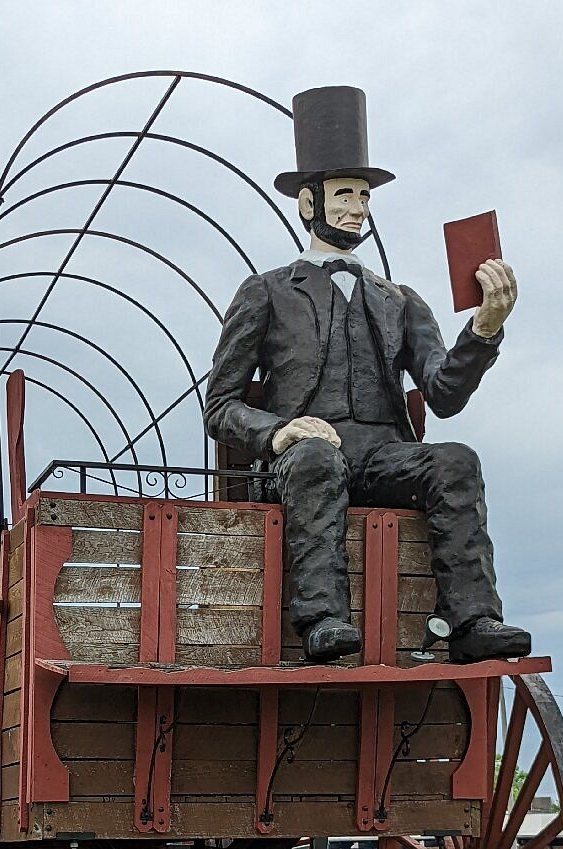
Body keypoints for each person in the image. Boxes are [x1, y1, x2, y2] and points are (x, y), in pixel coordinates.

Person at [204, 85, 531, 664]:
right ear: (308, 204)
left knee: (456, 459)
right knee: (314, 458)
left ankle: (473, 618)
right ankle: (323, 618)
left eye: (362, 195)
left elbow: (444, 393)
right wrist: (281, 432)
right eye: (343, 194)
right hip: (304, 458)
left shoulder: (398, 300)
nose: (356, 207)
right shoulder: (266, 292)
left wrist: (483, 329)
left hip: (384, 458)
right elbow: (221, 407)